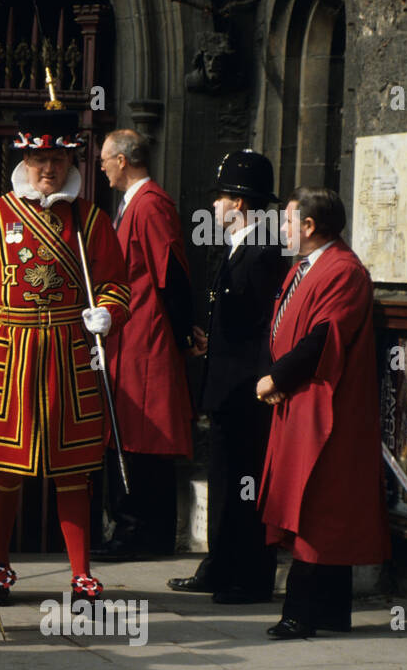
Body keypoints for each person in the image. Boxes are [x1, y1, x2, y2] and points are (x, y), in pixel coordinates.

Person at [0, 111, 130, 605]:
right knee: (2, 471)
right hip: (6, 352)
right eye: (39, 158)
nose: (49, 169)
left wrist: (109, 312)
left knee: (73, 470)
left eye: (57, 159)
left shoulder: (89, 218)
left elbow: (116, 283)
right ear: (24, 159)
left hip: (66, 352)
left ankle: (80, 572)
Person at [257, 188, 390, 638]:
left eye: (290, 222)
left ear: (310, 226)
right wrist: (276, 374)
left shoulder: (344, 271)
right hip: (299, 399)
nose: (284, 231)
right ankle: (331, 612)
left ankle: (301, 613)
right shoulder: (305, 268)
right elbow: (280, 327)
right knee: (309, 502)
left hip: (325, 405)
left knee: (318, 505)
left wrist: (278, 378)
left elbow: (322, 336)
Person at [168, 151, 287, 602]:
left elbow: (264, 330)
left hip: (244, 392)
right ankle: (219, 567)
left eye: (219, 197)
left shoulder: (262, 252)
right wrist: (210, 342)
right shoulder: (242, 246)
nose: (213, 206)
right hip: (227, 386)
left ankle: (249, 577)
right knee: (224, 482)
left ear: (238, 203)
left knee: (244, 486)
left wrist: (256, 381)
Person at [96, 128, 195, 559]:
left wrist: (182, 333)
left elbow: (170, 271)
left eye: (104, 159)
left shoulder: (150, 204)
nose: (101, 167)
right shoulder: (132, 204)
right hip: (130, 334)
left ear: (122, 160)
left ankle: (138, 531)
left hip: (146, 336)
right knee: (130, 435)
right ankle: (135, 528)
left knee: (140, 439)